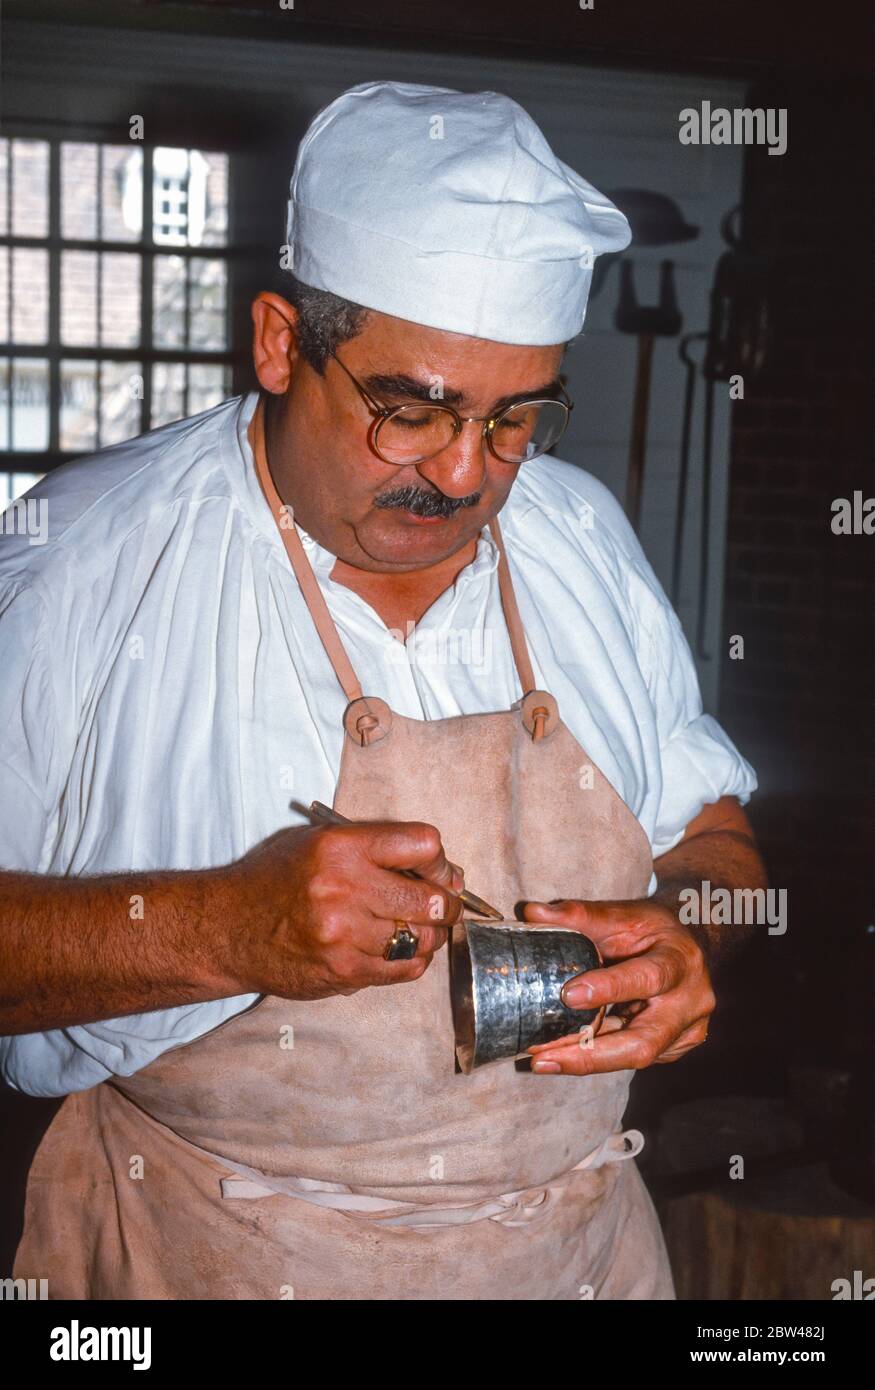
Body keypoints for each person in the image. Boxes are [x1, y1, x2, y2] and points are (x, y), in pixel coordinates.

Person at [0, 80, 763, 1300]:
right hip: (209, 1257)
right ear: (278, 341)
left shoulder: (579, 537)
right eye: (410, 410)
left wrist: (683, 931)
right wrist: (222, 927)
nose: (465, 473)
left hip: (574, 1259)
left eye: (519, 419)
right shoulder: (82, 561)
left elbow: (717, 844)